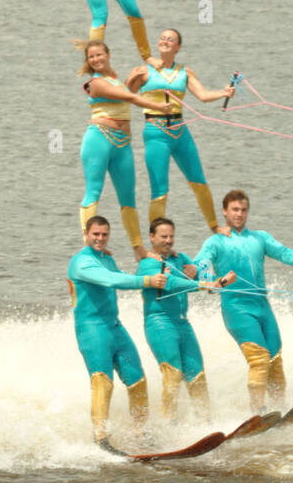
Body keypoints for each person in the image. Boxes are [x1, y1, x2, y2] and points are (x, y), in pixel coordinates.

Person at [195, 191, 293, 413]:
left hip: (262, 306)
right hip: (236, 307)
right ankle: (257, 413)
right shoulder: (215, 241)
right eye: (235, 210)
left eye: (243, 210)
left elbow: (282, 252)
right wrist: (208, 281)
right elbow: (201, 262)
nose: (239, 214)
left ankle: (279, 411)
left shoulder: (259, 238)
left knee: (275, 360)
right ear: (225, 212)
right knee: (259, 359)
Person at [67, 215, 171, 445]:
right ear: (86, 234)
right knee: (103, 382)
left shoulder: (106, 259)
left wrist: (150, 268)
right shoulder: (81, 262)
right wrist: (147, 281)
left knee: (137, 380)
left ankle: (141, 433)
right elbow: (110, 280)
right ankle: (100, 438)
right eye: (95, 234)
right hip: (92, 331)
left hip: (114, 327)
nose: (100, 238)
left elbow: (121, 277)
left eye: (104, 234)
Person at [134, 28, 235, 232]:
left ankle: (214, 226)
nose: (165, 41)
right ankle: (157, 238)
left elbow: (203, 95)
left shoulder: (185, 72)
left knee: (198, 180)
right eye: (162, 38)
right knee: (160, 189)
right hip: (156, 132)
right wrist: (129, 80)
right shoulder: (144, 71)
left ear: (178, 47)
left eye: (170, 39)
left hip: (180, 132)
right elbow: (127, 97)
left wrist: (223, 92)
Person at [136, 218, 235, 422]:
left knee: (197, 375)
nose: (168, 240)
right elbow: (171, 283)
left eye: (171, 236)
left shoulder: (179, 258)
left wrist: (201, 273)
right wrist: (206, 283)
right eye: (163, 237)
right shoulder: (147, 264)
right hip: (159, 323)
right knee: (173, 374)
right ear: (152, 237)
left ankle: (204, 423)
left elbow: (205, 272)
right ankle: (168, 426)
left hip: (183, 324)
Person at [77, 40, 169, 260]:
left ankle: (138, 249)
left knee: (128, 199)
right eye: (91, 57)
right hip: (99, 139)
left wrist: (137, 77)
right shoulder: (95, 82)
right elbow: (127, 97)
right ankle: (88, 244)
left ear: (108, 54)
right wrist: (157, 107)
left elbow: (124, 95)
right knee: (94, 191)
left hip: (123, 144)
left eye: (99, 55)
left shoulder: (114, 78)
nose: (96, 59)